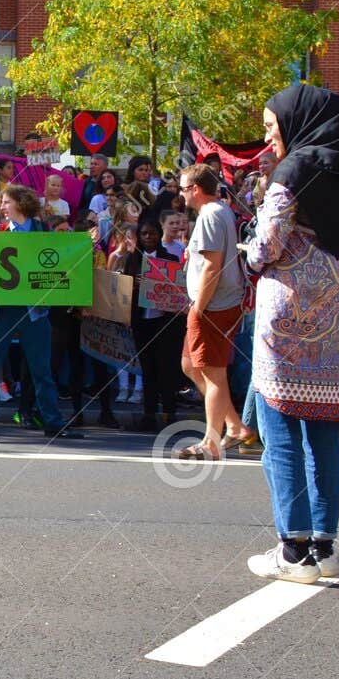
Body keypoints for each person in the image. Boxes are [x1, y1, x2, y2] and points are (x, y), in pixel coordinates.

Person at [244, 84, 339, 584]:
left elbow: (269, 243)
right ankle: (325, 548)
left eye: (269, 125)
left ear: (295, 120)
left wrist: (253, 254)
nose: (268, 136)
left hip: (285, 323)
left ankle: (292, 550)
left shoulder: (291, 172)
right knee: (326, 433)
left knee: (279, 433)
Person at [0, 185, 83, 440]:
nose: (1, 207)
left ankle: (53, 423)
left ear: (20, 204)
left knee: (41, 370)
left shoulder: (45, 233)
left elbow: (66, 261)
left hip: (34, 310)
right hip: (1, 310)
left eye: (6, 202)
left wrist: (88, 242)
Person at [178, 164, 252, 459]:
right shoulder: (219, 211)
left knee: (213, 374)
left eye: (183, 189)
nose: (181, 195)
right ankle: (235, 427)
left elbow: (212, 265)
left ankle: (211, 442)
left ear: (196, 189)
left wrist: (198, 307)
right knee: (189, 364)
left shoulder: (210, 215)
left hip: (213, 305)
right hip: (217, 302)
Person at [111, 216, 184, 432]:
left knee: (167, 368)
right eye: (144, 234)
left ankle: (170, 412)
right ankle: (149, 414)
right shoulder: (132, 260)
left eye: (152, 233)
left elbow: (178, 288)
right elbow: (123, 289)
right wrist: (135, 285)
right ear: (139, 237)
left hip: (165, 321)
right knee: (148, 369)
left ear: (159, 235)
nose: (149, 237)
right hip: (142, 322)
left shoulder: (170, 258)